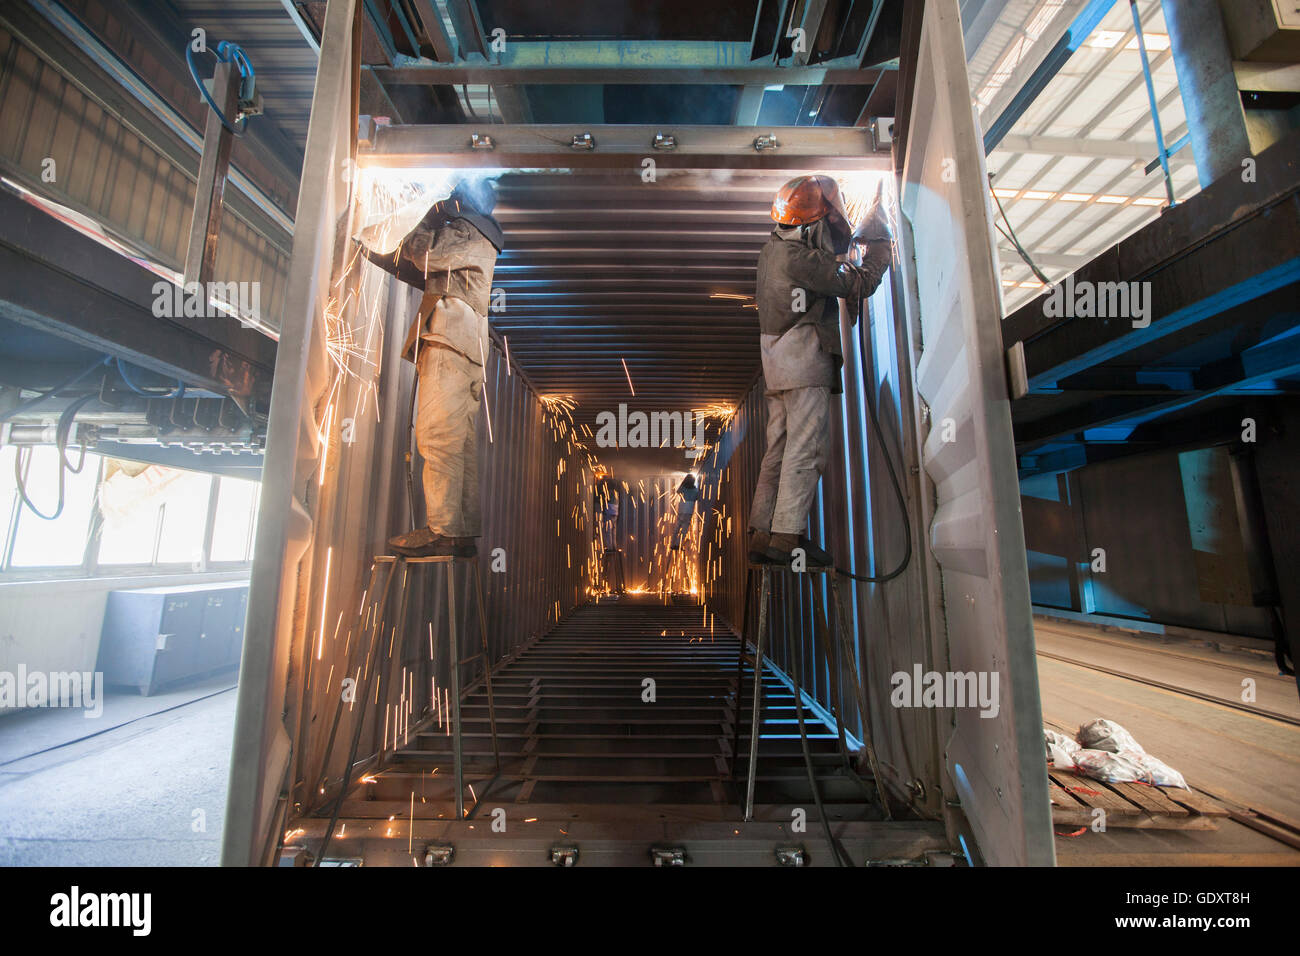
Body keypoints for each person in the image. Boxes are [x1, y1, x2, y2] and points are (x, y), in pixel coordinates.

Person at [747, 174, 893, 565]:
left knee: (778, 448)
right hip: (802, 363)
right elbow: (857, 284)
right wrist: (879, 247)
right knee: (806, 448)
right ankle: (786, 538)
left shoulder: (771, 251)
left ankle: (761, 534)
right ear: (813, 224)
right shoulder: (802, 260)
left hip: (776, 367)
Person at [387, 178, 503, 558]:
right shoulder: (478, 236)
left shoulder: (467, 233)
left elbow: (422, 251)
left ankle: (443, 530)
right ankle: (460, 530)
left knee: (436, 436)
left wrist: (416, 208)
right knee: (459, 443)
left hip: (451, 342)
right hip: (465, 347)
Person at [669, 473, 700, 551]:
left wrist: (683, 483)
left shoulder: (683, 488)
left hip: (681, 509)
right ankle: (677, 544)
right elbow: (697, 498)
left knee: (677, 527)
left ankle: (672, 544)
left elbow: (678, 492)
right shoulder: (695, 490)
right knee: (684, 530)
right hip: (689, 510)